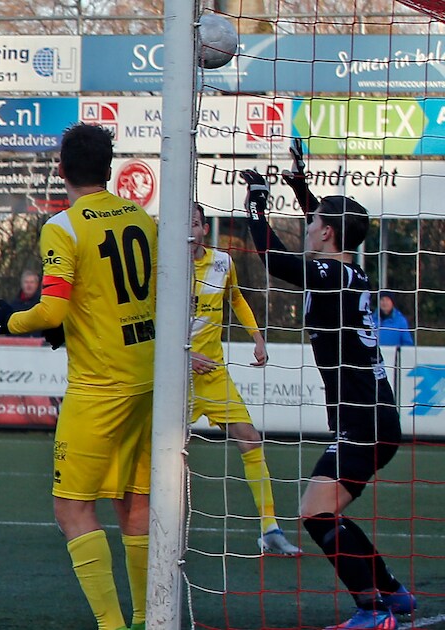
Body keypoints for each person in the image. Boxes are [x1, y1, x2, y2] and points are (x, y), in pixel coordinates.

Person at [0, 123, 156, 630]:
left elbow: (52, 309)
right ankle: (147, 617)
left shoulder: (65, 226)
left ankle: (112, 625)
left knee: (71, 509)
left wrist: (9, 320)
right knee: (133, 499)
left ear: (61, 170)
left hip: (100, 385)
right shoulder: (144, 219)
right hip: (146, 377)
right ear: (110, 170)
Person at [243, 140, 412, 629]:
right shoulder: (347, 270)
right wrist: (298, 185)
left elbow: (275, 260)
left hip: (362, 420)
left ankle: (374, 610)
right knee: (323, 512)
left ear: (328, 232)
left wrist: (256, 203)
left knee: (315, 515)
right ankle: (392, 594)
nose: (308, 224)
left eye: (314, 221)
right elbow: (324, 231)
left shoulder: (328, 272)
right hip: (370, 417)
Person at [189, 202, 300, 556]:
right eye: (183, 223)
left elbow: (235, 299)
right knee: (159, 456)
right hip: (173, 379)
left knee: (250, 440)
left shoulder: (222, 262)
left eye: (194, 223)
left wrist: (257, 336)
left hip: (214, 375)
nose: (189, 229)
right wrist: (184, 356)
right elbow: (148, 322)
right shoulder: (162, 266)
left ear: (204, 229)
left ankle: (270, 529)